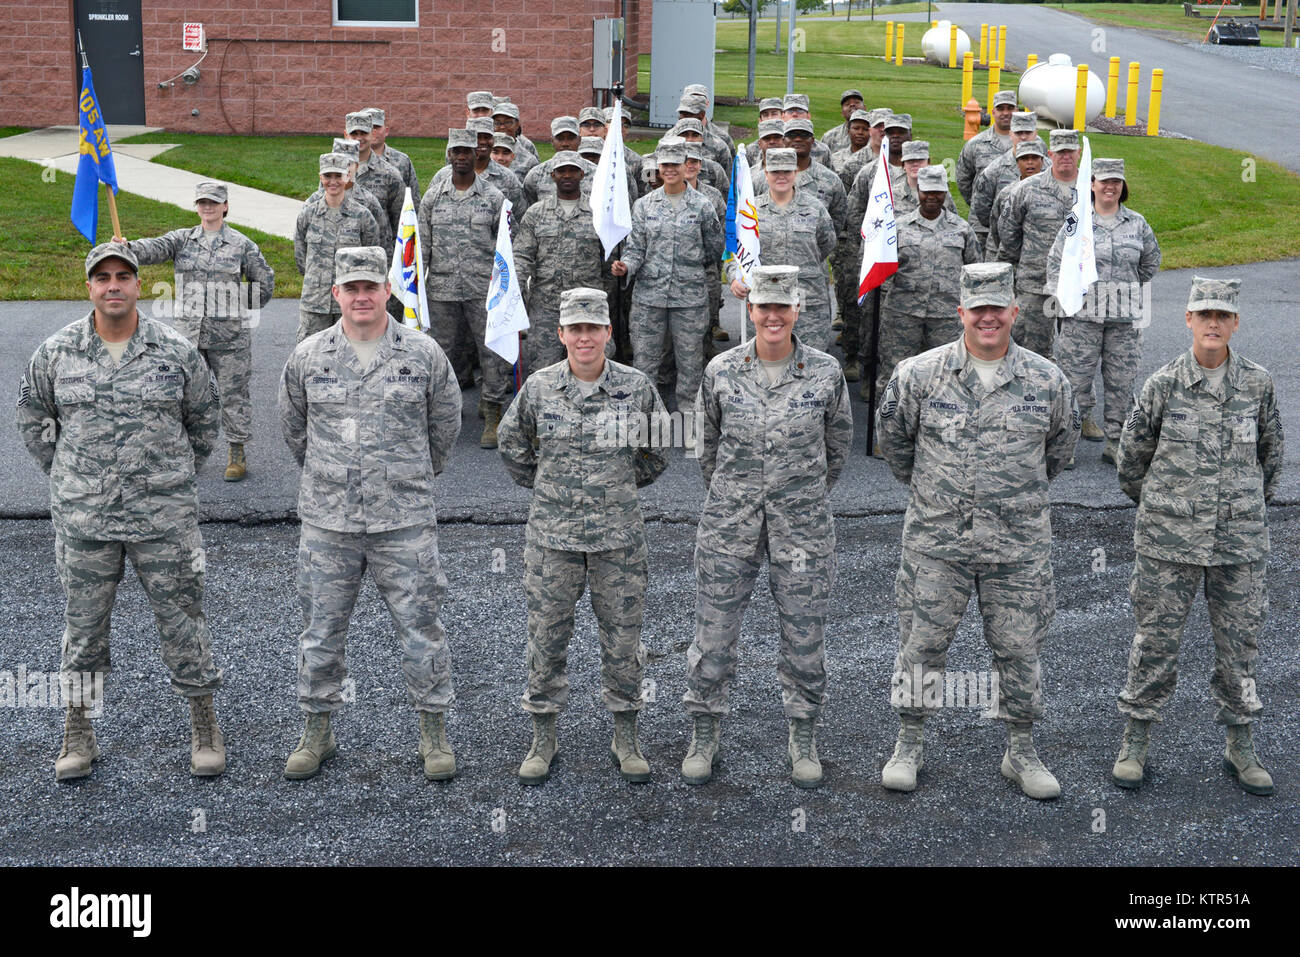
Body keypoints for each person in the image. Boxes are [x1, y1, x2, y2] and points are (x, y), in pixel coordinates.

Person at [17, 242, 225, 780]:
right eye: (102, 277)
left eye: (124, 276)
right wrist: (73, 480)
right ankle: (78, 731)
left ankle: (203, 721)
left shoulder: (174, 351)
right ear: (89, 286)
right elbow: (35, 423)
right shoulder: (57, 352)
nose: (113, 285)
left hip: (164, 519)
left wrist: (169, 481)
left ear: (138, 285)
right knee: (83, 631)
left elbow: (203, 423)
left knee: (184, 622)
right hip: (85, 522)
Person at [876, 262, 1080, 800]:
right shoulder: (918, 375)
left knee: (1019, 649)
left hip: (1018, 545)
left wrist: (1008, 497)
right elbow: (897, 449)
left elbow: (1058, 452)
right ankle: (909, 742)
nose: (988, 317)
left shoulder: (1046, 379)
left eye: (999, 308)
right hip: (937, 543)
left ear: (1015, 311)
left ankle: (1022, 750)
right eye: (978, 308)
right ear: (960, 311)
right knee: (921, 647)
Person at [279, 246, 462, 781]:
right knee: (320, 630)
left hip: (403, 518)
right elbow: (296, 432)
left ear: (388, 290)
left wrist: (406, 475)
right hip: (328, 521)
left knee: (422, 627)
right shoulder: (309, 355)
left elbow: (444, 427)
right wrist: (329, 476)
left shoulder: (422, 354)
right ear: (334, 293)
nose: (362, 296)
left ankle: (433, 733)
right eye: (351, 288)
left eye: (371, 286)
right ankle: (317, 730)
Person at [682, 265, 853, 789]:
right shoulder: (720, 370)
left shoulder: (825, 372)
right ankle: (704, 731)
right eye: (764, 306)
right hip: (729, 524)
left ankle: (803, 732)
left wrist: (797, 495)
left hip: (801, 526)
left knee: (804, 635)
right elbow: (705, 448)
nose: (773, 315)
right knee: (712, 637)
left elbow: (838, 446)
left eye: (783, 306)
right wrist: (737, 494)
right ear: (748, 310)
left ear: (798, 310)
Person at [1112, 277, 1282, 796]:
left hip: (1239, 544)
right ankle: (1135, 740)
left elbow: (1270, 461)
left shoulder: (1258, 384)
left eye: (1222, 315)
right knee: (1156, 643)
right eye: (1203, 313)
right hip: (1169, 542)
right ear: (1187, 319)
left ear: (1235, 323)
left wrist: (1239, 508)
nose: (1213, 323)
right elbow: (1130, 464)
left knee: (1240, 648)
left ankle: (1241, 744)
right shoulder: (1162, 385)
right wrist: (1171, 510)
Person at [498, 287, 670, 785]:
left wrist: (614, 486)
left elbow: (657, 451)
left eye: (593, 327)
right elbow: (513, 445)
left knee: (623, 642)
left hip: (618, 538)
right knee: (546, 639)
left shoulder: (636, 388)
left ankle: (626, 735)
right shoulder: (539, 387)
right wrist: (550, 485)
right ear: (561, 335)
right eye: (575, 328)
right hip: (554, 539)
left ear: (608, 332)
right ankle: (543, 736)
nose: (584, 337)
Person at [116, 182, 274, 482]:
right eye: (203, 202)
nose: (208, 207)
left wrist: (235, 304)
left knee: (233, 395)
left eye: (214, 202)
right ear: (196, 206)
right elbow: (154, 248)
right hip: (189, 337)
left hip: (229, 338)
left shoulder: (242, 245)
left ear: (225, 206)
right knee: (184, 396)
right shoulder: (183, 240)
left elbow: (264, 283)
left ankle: (236, 452)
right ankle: (182, 451)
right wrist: (127, 247)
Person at [1047, 158, 1161, 465]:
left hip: (1123, 319)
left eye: (1116, 181)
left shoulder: (1137, 223)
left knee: (1121, 381)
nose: (1110, 186)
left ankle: (1116, 442)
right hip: (1082, 318)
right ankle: (1066, 444)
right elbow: (1057, 263)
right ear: (1092, 185)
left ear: (1123, 186)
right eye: (1104, 181)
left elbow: (1150, 264)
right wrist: (1065, 300)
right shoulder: (1077, 222)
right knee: (1075, 381)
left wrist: (1125, 290)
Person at [611, 139, 724, 448]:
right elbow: (636, 249)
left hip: (689, 297)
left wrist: (689, 269)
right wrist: (626, 267)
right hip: (649, 296)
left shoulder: (702, 205)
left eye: (676, 165)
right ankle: (647, 425)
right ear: (658, 169)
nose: (671, 170)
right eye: (666, 165)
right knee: (646, 362)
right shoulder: (644, 206)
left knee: (689, 362)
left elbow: (714, 248)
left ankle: (689, 423)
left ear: (685, 167)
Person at [417, 129, 511, 447]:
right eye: (455, 151)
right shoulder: (433, 196)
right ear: (449, 154)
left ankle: (494, 411)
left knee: (491, 351)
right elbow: (421, 247)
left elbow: (506, 249)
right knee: (440, 352)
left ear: (476, 154)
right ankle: (443, 409)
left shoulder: (493, 198)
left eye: (466, 151)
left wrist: (506, 290)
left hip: (482, 289)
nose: (460, 156)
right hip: (441, 288)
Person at [873, 165, 981, 404]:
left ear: (945, 192)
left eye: (938, 192)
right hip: (903, 314)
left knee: (947, 373)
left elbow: (973, 269)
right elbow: (881, 274)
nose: (932, 197)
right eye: (927, 192)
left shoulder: (961, 229)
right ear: (918, 191)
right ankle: (887, 431)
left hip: (946, 315)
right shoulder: (897, 228)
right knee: (894, 371)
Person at [726, 148, 836, 351]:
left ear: (796, 173)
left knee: (812, 367)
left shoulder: (815, 209)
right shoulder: (750, 212)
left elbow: (826, 244)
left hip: (807, 302)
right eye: (775, 171)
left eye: (787, 171)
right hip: (765, 303)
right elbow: (735, 252)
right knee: (765, 365)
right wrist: (734, 276)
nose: (781, 176)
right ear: (766, 174)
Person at [512, 152, 612, 375]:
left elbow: (609, 261)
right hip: (547, 304)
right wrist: (516, 292)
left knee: (591, 366)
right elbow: (522, 256)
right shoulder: (536, 213)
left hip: (588, 304)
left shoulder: (598, 213)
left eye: (572, 171)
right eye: (562, 171)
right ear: (552, 176)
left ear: (582, 174)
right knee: (543, 368)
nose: (567, 175)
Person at [995, 128, 1082, 360]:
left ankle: (1069, 396)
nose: (1066, 157)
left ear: (1079, 153)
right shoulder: (1027, 190)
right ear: (1050, 154)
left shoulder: (1092, 190)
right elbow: (1008, 235)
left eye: (1070, 152)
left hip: (1079, 287)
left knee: (1077, 358)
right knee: (1031, 354)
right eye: (1060, 152)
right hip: (1035, 286)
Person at [294, 153, 381, 343]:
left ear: (347, 177)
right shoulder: (308, 214)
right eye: (327, 176)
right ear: (320, 178)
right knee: (311, 355)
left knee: (353, 352)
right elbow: (301, 256)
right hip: (314, 303)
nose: (333, 182)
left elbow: (372, 255)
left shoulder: (362, 216)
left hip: (351, 302)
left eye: (338, 176)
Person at [968, 111, 1045, 254]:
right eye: (1018, 132)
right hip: (1003, 250)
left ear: (1036, 133)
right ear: (1010, 133)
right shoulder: (994, 170)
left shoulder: (1050, 170)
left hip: (1039, 252)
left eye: (1028, 132)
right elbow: (983, 209)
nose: (1023, 137)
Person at [344, 111, 403, 252]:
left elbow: (400, 221)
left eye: (363, 133)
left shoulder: (390, 174)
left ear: (372, 134)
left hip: (376, 256)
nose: (359, 138)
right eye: (354, 134)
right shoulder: (334, 175)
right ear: (346, 135)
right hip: (341, 255)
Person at [980, 137, 1045, 262]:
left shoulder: (1051, 192)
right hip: (1013, 258)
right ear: (1017, 163)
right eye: (1024, 159)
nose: (1030, 162)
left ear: (1042, 161)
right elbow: (996, 228)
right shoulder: (1006, 193)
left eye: (1034, 158)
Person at [955, 90, 1017, 204]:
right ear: (993, 112)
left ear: (1017, 111)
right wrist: (978, 205)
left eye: (1010, 108)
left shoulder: (1029, 144)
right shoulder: (975, 144)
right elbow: (962, 179)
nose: (1006, 113)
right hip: (984, 218)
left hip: (1018, 216)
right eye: (1001, 109)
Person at [523, 117, 597, 205]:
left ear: (580, 140)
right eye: (560, 138)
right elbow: (530, 202)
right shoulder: (536, 174)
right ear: (552, 141)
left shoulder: (596, 173)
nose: (565, 143)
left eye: (571, 138)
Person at [363, 107, 419, 200]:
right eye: (368, 127)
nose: (372, 131)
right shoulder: (349, 161)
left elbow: (413, 198)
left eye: (377, 127)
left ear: (386, 131)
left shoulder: (402, 161)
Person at [780, 93, 833, 167]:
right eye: (790, 111)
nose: (795, 114)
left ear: (808, 116)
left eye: (800, 110)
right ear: (782, 116)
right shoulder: (773, 146)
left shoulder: (822, 150)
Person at [492, 101, 540, 175]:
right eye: (497, 123)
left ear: (517, 124)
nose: (502, 127)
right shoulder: (483, 152)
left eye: (508, 122)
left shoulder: (529, 160)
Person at [821, 89, 865, 154]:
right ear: (842, 112)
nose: (852, 105)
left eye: (856, 102)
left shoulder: (875, 133)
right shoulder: (830, 137)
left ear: (864, 108)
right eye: (847, 104)